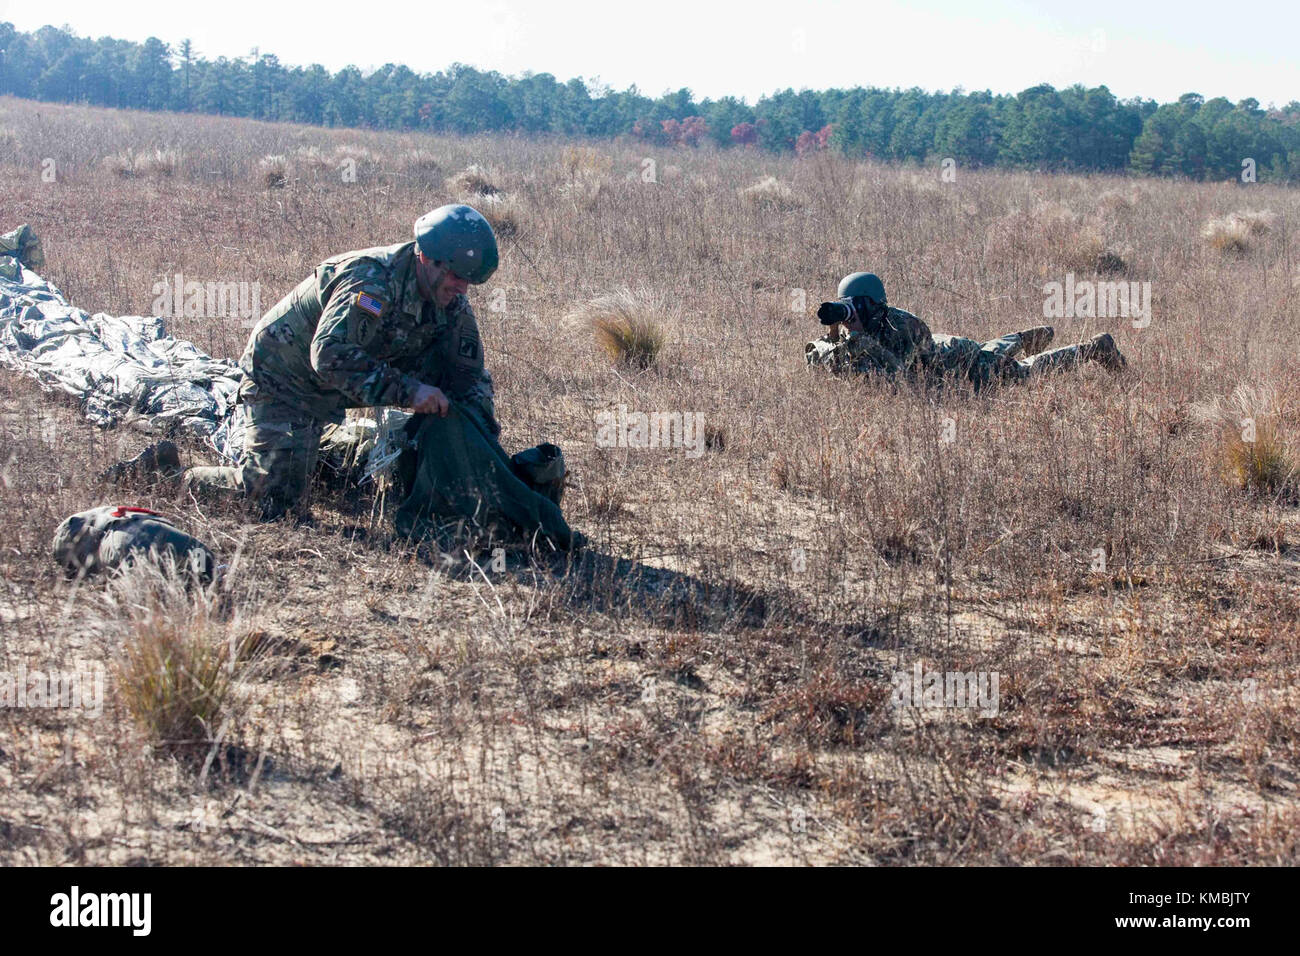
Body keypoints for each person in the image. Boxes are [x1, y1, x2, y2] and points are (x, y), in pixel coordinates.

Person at [179, 204, 580, 550]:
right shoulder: (371, 281)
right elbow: (330, 355)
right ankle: (175, 474)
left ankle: (335, 448)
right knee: (271, 500)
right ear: (427, 258)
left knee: (458, 397)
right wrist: (410, 391)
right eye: (456, 276)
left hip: (351, 381)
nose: (463, 288)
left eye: (470, 281)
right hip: (287, 379)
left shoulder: (452, 302)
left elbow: (469, 378)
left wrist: (477, 455)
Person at [806, 272, 1126, 389]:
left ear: (874, 306)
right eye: (844, 306)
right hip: (950, 351)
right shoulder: (853, 330)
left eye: (854, 307)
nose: (849, 316)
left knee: (1022, 376)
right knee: (990, 352)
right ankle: (1020, 339)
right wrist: (836, 334)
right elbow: (817, 357)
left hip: (959, 362)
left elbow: (904, 378)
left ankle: (1094, 348)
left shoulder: (904, 323)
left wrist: (863, 344)